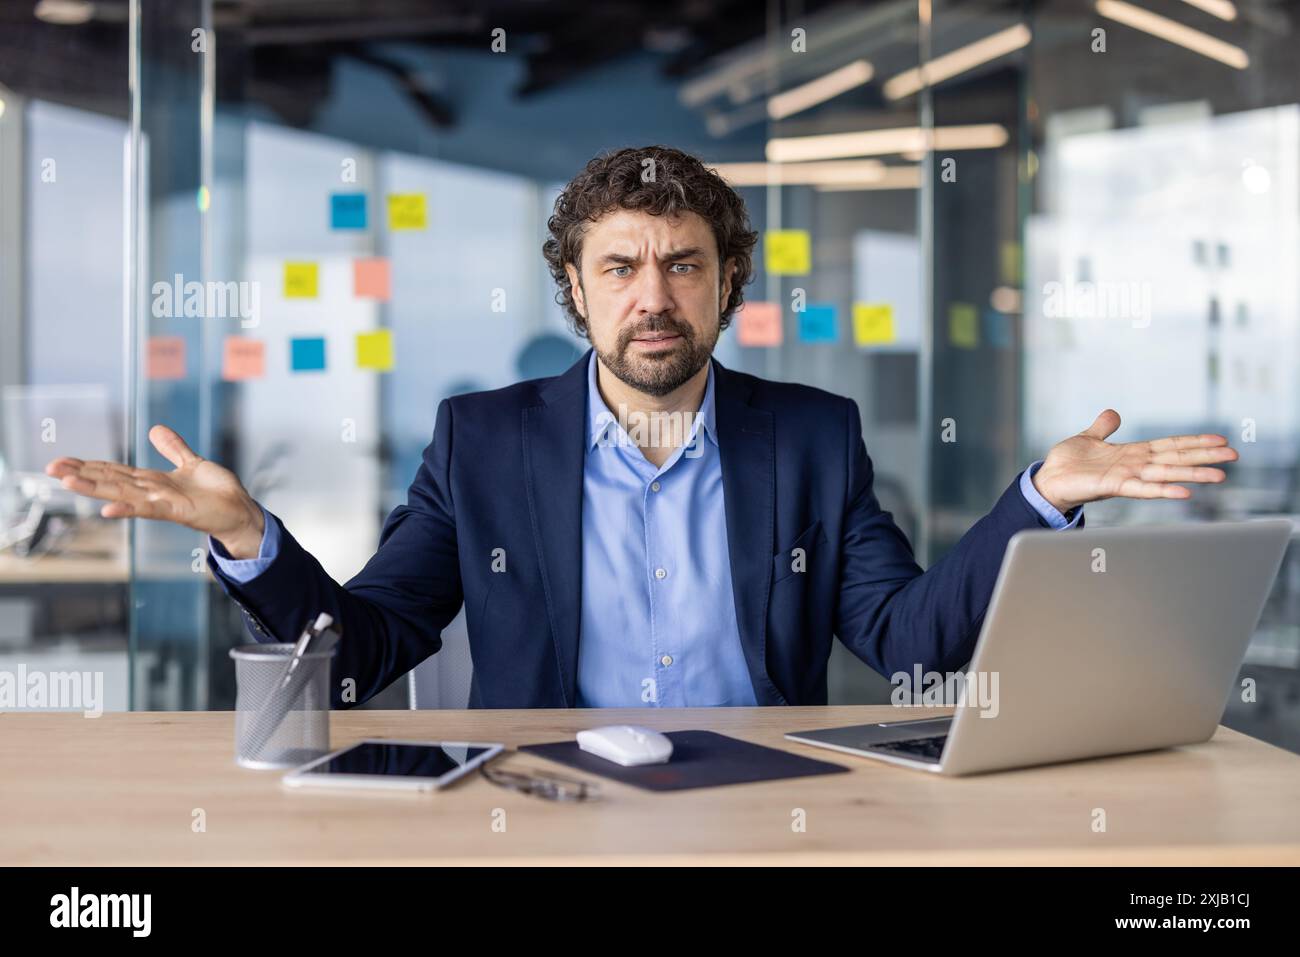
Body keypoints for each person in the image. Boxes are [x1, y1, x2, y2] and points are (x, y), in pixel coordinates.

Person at [46, 145, 1237, 709]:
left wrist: (1038, 496)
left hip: (777, 806)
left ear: (728, 287)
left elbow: (906, 642)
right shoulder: (485, 440)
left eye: (682, 266)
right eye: (619, 268)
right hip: (538, 811)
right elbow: (363, 649)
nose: (651, 297)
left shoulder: (812, 437)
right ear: (577, 290)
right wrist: (253, 538)